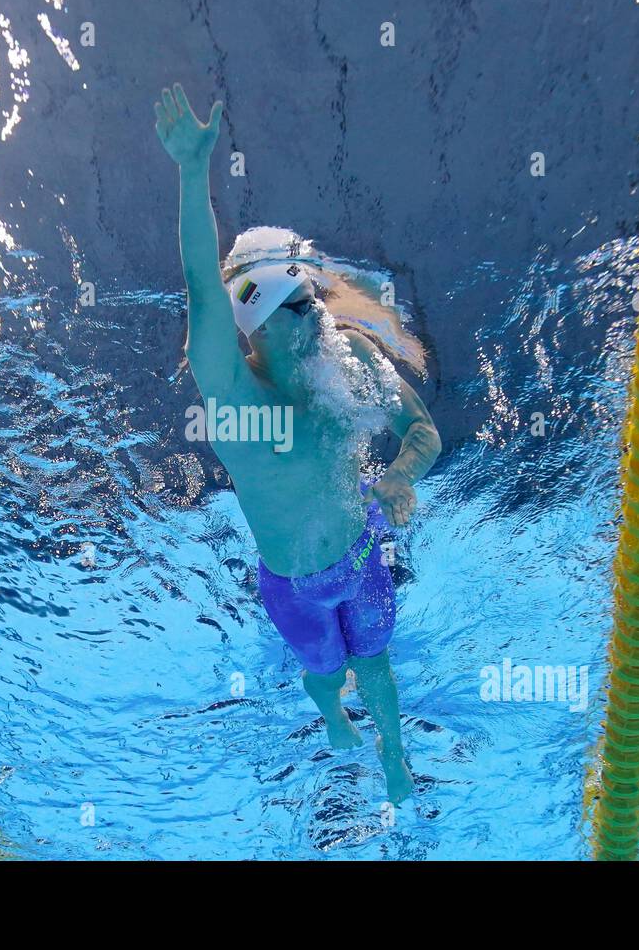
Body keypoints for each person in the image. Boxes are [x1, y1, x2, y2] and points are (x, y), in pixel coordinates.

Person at [154, 83, 441, 804]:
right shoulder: (238, 397)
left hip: (362, 551)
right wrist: (193, 171)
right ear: (257, 325)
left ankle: (395, 758)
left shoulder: (352, 364)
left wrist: (403, 475)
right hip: (293, 587)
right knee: (323, 670)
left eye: (311, 297)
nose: (315, 312)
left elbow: (422, 431)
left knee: (376, 664)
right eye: (294, 306)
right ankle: (329, 714)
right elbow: (198, 284)